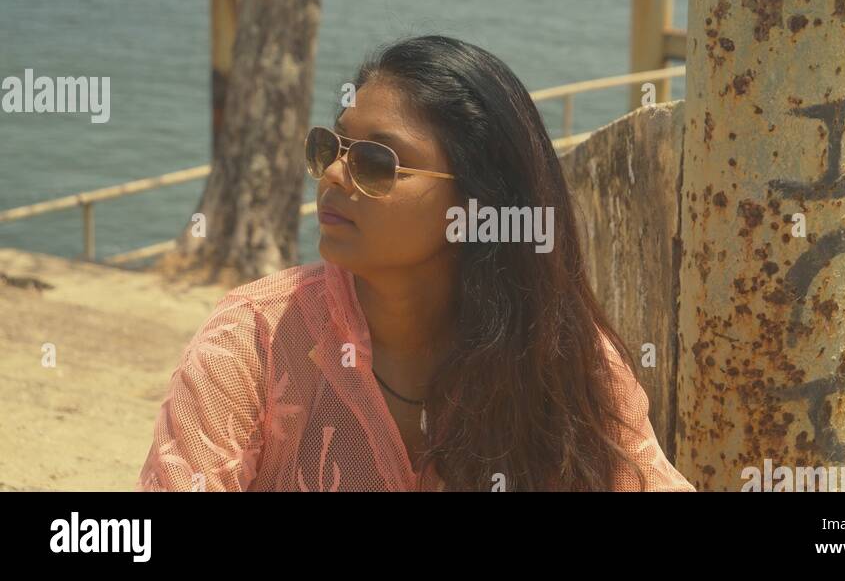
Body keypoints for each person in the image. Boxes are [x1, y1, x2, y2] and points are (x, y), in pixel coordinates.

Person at [136, 35, 695, 492]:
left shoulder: (563, 354)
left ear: (478, 201)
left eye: (377, 162)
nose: (333, 175)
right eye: (330, 147)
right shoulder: (253, 339)